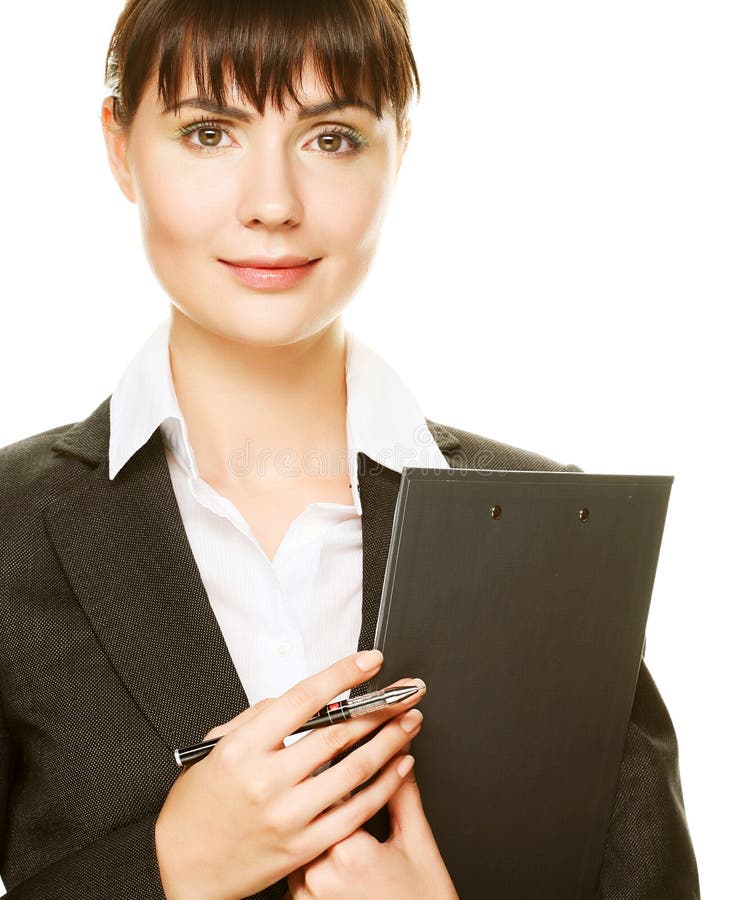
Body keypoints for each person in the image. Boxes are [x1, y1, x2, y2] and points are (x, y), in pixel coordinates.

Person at [0, 1, 699, 898]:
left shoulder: (554, 530)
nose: (273, 205)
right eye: (209, 133)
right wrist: (165, 870)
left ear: (398, 146)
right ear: (119, 146)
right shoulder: (13, 529)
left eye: (331, 138)